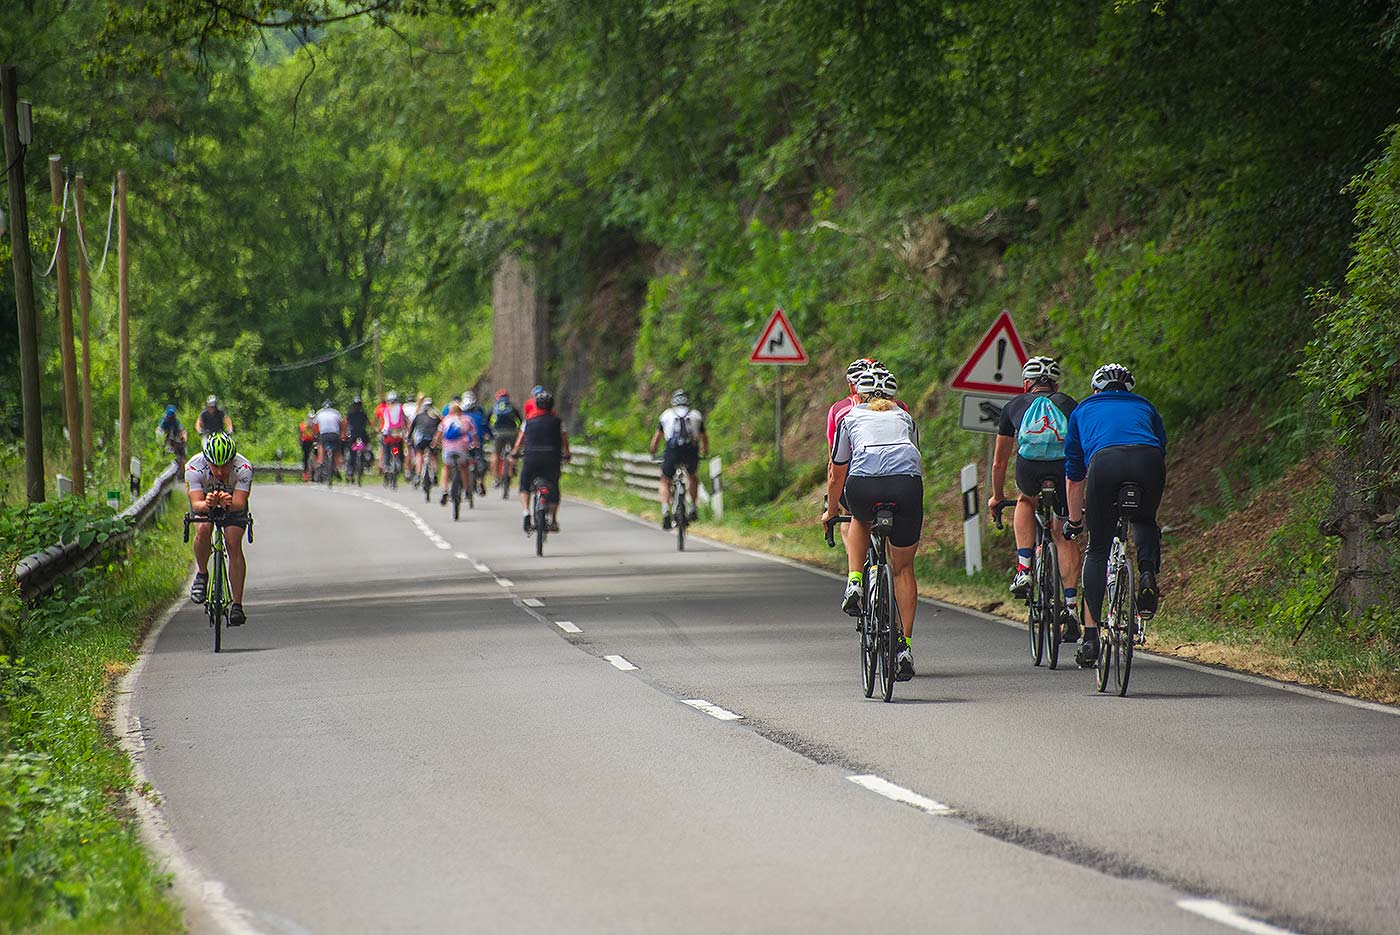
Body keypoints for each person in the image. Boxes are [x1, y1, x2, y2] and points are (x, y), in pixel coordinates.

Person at [1061, 363, 1168, 667]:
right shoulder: (1146, 406)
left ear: (1096, 390)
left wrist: (1075, 521)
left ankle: (1091, 638)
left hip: (1104, 464)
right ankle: (1147, 573)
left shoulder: (1082, 411)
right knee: (1145, 520)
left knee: (1097, 549)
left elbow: (1074, 475)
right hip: (1148, 461)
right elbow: (1161, 447)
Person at [821, 368, 924, 681]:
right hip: (906, 486)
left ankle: (854, 581)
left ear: (858, 394)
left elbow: (837, 471)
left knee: (859, 518)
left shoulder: (848, 418)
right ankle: (904, 647)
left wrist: (830, 510)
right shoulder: (906, 418)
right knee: (903, 569)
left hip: (864, 485)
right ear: (893, 396)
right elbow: (917, 459)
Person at [989, 356, 1082, 641]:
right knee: (1063, 533)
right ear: (1055, 384)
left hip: (1029, 467)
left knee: (1026, 501)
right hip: (1061, 466)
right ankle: (1071, 607)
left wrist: (997, 497)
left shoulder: (1014, 406)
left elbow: (999, 463)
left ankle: (1024, 567)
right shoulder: (1069, 403)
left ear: (1026, 383)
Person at [186, 431, 252, 626]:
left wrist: (227, 502)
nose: (221, 472)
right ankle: (202, 574)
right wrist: (208, 504)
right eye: (215, 466)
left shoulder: (244, 467)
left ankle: (237, 605)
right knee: (203, 529)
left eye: (226, 465)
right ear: (207, 462)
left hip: (233, 505)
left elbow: (240, 503)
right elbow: (196, 504)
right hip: (204, 502)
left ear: (233, 461)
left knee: (232, 542)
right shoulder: (193, 467)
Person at [512, 389, 570, 533]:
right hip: (552, 458)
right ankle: (553, 520)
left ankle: (526, 512)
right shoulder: (558, 421)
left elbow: (519, 441)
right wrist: (567, 454)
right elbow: (564, 440)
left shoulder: (528, 421)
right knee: (554, 487)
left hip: (531, 457)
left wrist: (514, 453)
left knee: (525, 484)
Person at [649, 389, 708, 529]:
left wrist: (653, 451)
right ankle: (693, 508)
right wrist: (705, 451)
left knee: (665, 480)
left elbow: (657, 438)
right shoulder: (696, 415)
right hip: (690, 450)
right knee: (692, 477)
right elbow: (704, 438)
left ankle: (665, 511)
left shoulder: (666, 414)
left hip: (672, 451)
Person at [434, 400, 479, 505]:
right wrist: (476, 443)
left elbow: (438, 435)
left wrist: (434, 444)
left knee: (446, 467)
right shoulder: (467, 419)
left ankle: (445, 490)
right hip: (462, 449)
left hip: (448, 449)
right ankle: (467, 491)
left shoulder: (445, 420)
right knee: (463, 467)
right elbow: (474, 434)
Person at [490, 389, 523, 486]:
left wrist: (489, 432)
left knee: (496, 454)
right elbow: (520, 421)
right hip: (512, 432)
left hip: (498, 433)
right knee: (513, 452)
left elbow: (486, 420)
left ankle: (496, 478)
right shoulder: (512, 407)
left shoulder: (494, 407)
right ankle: (512, 469)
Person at [462, 391, 493, 495]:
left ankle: (463, 484)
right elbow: (487, 430)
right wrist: (491, 437)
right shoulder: (479, 416)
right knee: (481, 462)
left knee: (463, 464)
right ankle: (480, 482)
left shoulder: (461, 418)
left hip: (464, 445)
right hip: (477, 443)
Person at [409, 396, 441, 485]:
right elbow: (442, 427)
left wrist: (409, 438)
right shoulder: (436, 415)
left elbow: (412, 428)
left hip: (421, 439)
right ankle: (435, 473)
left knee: (419, 454)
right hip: (432, 439)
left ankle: (418, 475)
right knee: (434, 455)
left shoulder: (418, 415)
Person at [379, 391, 409, 472]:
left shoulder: (386, 409)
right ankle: (399, 460)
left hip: (389, 432)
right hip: (399, 433)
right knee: (398, 446)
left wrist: (383, 431)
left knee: (386, 448)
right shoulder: (401, 408)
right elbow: (404, 420)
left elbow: (386, 423)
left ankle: (386, 465)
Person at [313, 399, 345, 476]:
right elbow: (341, 424)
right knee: (337, 449)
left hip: (324, 434)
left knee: (320, 444)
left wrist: (315, 434)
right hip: (334, 434)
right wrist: (341, 434)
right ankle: (336, 467)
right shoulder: (336, 413)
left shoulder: (319, 413)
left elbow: (314, 425)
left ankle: (320, 461)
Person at [346, 397, 371, 476]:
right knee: (352, 452)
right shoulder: (362, 414)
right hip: (357, 435)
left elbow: (346, 424)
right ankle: (351, 468)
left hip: (358, 435)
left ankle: (366, 461)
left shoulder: (351, 414)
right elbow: (369, 424)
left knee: (364, 449)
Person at [297, 409, 318, 480]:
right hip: (305, 442)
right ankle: (305, 474)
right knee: (305, 458)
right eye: (310, 418)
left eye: (313, 418)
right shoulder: (302, 425)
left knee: (315, 457)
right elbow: (300, 435)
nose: (311, 420)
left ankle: (314, 473)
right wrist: (300, 442)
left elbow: (317, 434)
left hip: (313, 442)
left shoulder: (316, 426)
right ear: (308, 418)